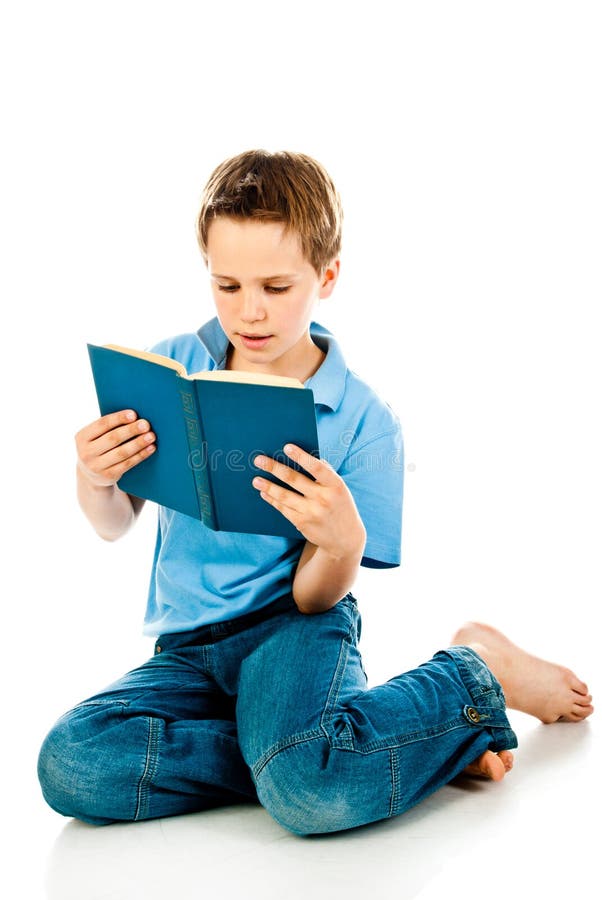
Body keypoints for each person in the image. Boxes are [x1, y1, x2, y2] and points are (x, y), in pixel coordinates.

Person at [37, 150, 594, 835]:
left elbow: (313, 597)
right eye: (227, 286)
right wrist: (94, 477)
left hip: (294, 632)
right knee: (73, 764)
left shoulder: (364, 420)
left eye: (276, 286)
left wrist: (343, 542)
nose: (250, 311)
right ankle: (390, 739)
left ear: (327, 276)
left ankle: (472, 677)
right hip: (184, 652)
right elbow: (112, 523)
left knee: (310, 792)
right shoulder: (175, 363)